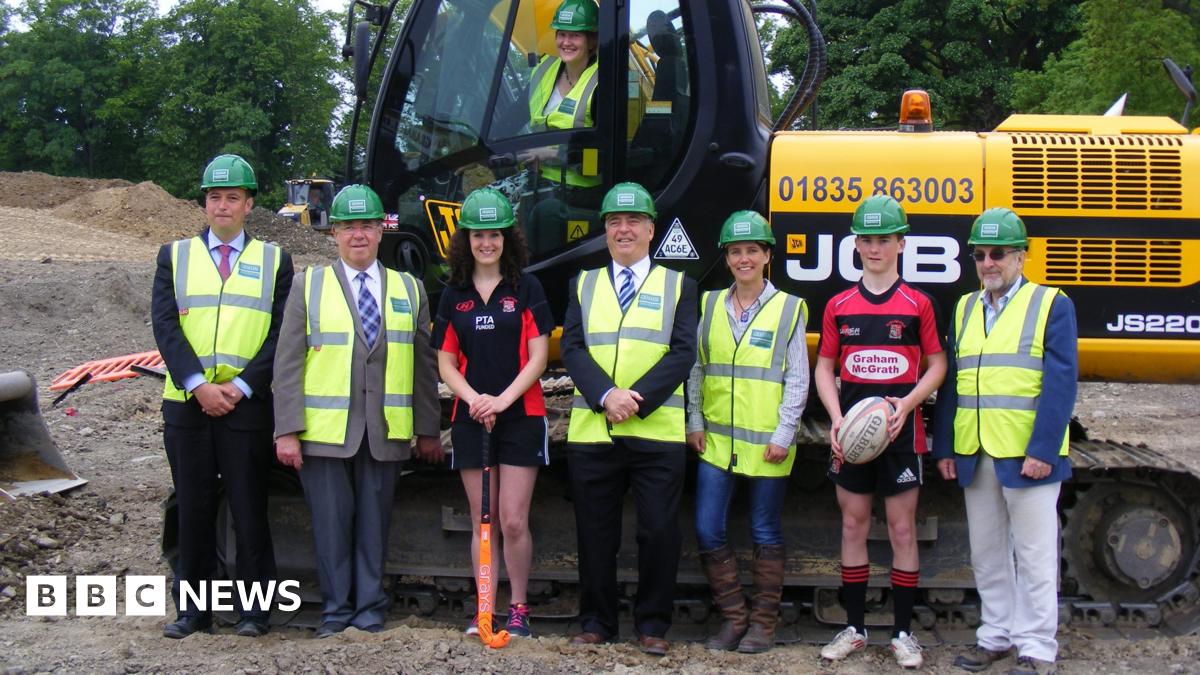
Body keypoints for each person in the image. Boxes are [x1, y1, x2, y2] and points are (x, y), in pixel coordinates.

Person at [272, 184, 444, 638]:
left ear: (380, 230)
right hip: (326, 433)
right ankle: (335, 611)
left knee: (374, 525)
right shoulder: (310, 286)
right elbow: (287, 362)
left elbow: (424, 367)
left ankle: (369, 608)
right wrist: (286, 429)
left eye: (366, 225)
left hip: (385, 430)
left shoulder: (410, 289)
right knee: (331, 527)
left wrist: (428, 430)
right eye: (348, 227)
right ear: (334, 234)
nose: (358, 235)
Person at [151, 153, 293, 639]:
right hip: (189, 406)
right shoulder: (174, 256)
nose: (223, 206)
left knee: (249, 509)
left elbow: (280, 333)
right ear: (205, 203)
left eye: (233, 197)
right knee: (193, 509)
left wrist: (240, 385)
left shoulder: (275, 260)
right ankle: (194, 613)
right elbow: (166, 327)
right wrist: (198, 385)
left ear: (249, 204)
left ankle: (255, 613)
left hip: (245, 404)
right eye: (215, 197)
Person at [934, 208, 1076, 675]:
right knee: (988, 552)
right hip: (976, 450)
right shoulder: (965, 307)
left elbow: (1060, 383)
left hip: (1026, 454)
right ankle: (995, 636)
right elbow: (953, 384)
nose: (989, 262)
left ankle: (1036, 647)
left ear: (1021, 256)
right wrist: (947, 448)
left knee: (1034, 555)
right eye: (980, 254)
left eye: (999, 253)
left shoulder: (1051, 304)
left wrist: (1042, 449)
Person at [561, 182, 697, 656]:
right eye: (615, 222)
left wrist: (635, 401)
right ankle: (597, 622)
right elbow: (572, 349)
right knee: (595, 533)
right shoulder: (583, 283)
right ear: (605, 230)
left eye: (633, 220)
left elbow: (683, 353)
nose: (624, 229)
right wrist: (605, 395)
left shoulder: (679, 283)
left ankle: (652, 624)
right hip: (595, 432)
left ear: (651, 229)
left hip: (656, 433)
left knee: (658, 531)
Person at [816, 195, 947, 669]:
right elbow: (825, 366)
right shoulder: (839, 304)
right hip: (852, 438)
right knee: (852, 525)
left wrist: (907, 405)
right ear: (856, 245)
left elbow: (937, 366)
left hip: (902, 436)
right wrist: (835, 417)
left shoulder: (918, 303)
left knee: (901, 530)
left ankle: (903, 634)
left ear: (900, 244)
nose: (875, 248)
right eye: (867, 240)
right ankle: (854, 629)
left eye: (884, 239)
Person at [432, 188, 554, 638]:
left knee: (512, 519)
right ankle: (484, 608)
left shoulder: (527, 288)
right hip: (471, 419)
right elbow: (445, 361)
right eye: (479, 235)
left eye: (495, 235)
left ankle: (519, 609)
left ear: (508, 239)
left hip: (521, 414)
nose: (487, 243)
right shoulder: (454, 294)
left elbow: (539, 356)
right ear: (467, 239)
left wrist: (501, 400)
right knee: (482, 520)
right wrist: (474, 399)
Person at [685, 210, 809, 654]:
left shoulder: (789, 308)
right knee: (707, 529)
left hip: (767, 444)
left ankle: (762, 624)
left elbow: (798, 378)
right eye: (735, 251)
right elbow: (697, 367)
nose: (743, 259)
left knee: (764, 531)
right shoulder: (710, 304)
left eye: (752, 250)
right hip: (717, 442)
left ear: (767, 255)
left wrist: (784, 432)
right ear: (727, 258)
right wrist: (694, 421)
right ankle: (735, 618)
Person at [519, 0, 602, 254]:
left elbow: (604, 151)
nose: (566, 42)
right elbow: (510, 118)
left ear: (591, 40)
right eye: (561, 34)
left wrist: (552, 154)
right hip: (536, 186)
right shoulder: (544, 69)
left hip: (579, 196)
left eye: (575, 35)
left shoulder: (603, 81)